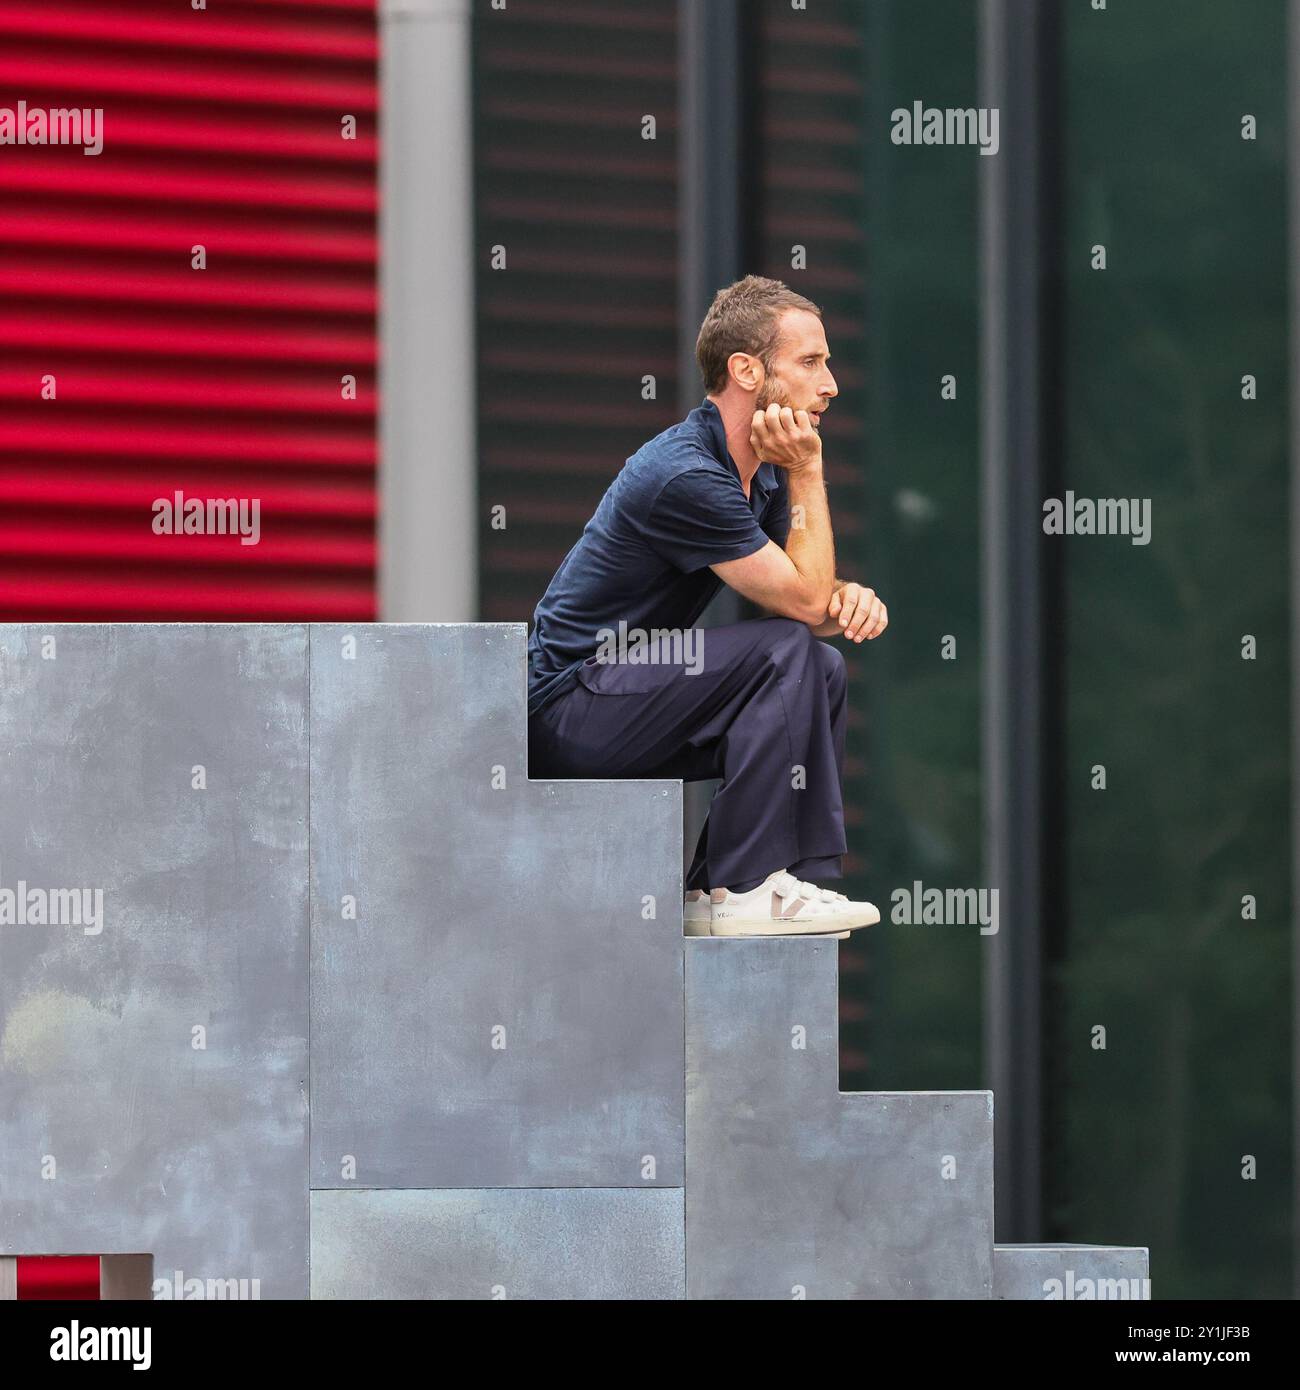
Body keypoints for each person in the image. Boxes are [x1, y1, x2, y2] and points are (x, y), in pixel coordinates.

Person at [526, 275, 889, 937]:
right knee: (788, 651)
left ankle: (735, 883)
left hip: (626, 696)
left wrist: (846, 600)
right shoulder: (687, 474)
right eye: (810, 363)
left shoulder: (761, 472)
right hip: (565, 710)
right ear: (745, 370)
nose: (830, 384)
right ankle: (740, 885)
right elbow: (803, 602)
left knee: (820, 666)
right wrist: (811, 475)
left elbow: (803, 589)